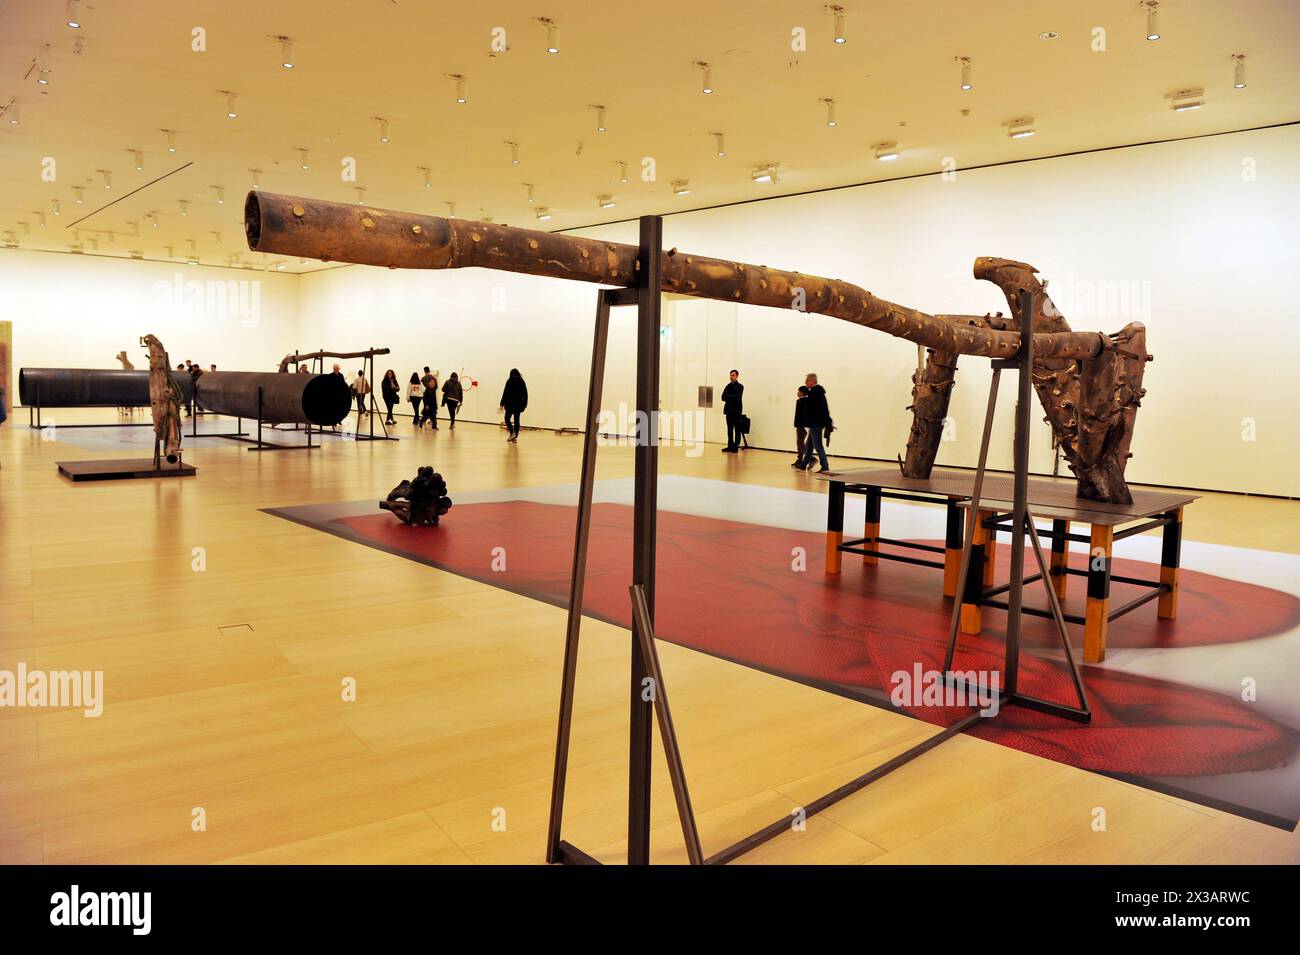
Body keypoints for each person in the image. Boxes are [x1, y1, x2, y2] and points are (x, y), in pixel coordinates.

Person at [799, 373, 832, 472]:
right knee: (809, 445)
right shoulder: (816, 392)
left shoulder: (815, 393)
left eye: (807, 380)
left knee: (818, 446)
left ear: (812, 381)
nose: (805, 382)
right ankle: (804, 464)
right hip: (816, 423)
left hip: (816, 424)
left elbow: (817, 409)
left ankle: (825, 467)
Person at [499, 368, 528, 442]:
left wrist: (502, 403)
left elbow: (505, 393)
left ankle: (512, 433)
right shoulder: (521, 381)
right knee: (517, 420)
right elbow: (525, 394)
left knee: (507, 419)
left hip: (510, 405)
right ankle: (515, 436)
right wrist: (525, 404)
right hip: (519, 405)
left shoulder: (509, 381)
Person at [721, 369, 743, 453]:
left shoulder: (740, 386)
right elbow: (722, 397)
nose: (731, 377)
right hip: (729, 411)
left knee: (737, 429)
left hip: (736, 411)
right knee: (729, 429)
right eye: (730, 375)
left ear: (737, 376)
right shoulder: (728, 386)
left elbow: (737, 397)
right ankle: (730, 445)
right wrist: (731, 396)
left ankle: (735, 446)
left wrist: (728, 396)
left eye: (733, 375)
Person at [792, 384, 810, 469]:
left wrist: (801, 425)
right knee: (800, 442)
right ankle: (800, 459)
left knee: (800, 442)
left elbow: (801, 415)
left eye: (798, 391)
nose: (797, 393)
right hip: (803, 425)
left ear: (802, 393)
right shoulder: (807, 401)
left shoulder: (801, 401)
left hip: (801, 425)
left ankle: (808, 458)